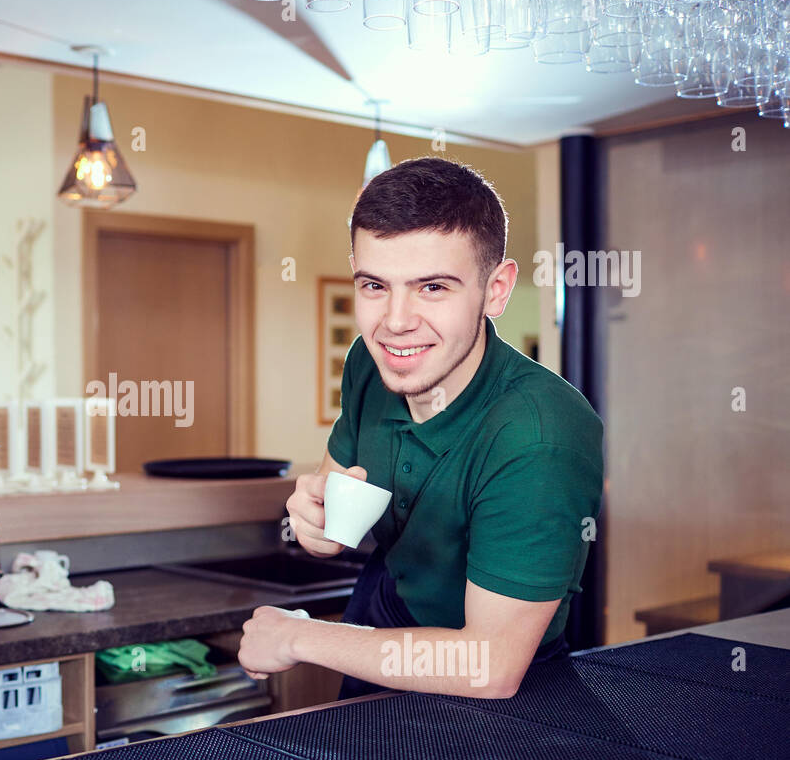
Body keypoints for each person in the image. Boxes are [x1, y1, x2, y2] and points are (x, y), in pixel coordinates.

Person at [238, 157, 604, 700]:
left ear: (497, 289)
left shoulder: (541, 435)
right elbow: (334, 503)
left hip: (493, 682)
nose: (396, 321)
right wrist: (314, 524)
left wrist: (298, 636)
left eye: (432, 287)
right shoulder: (371, 361)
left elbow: (490, 664)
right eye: (374, 285)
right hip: (382, 610)